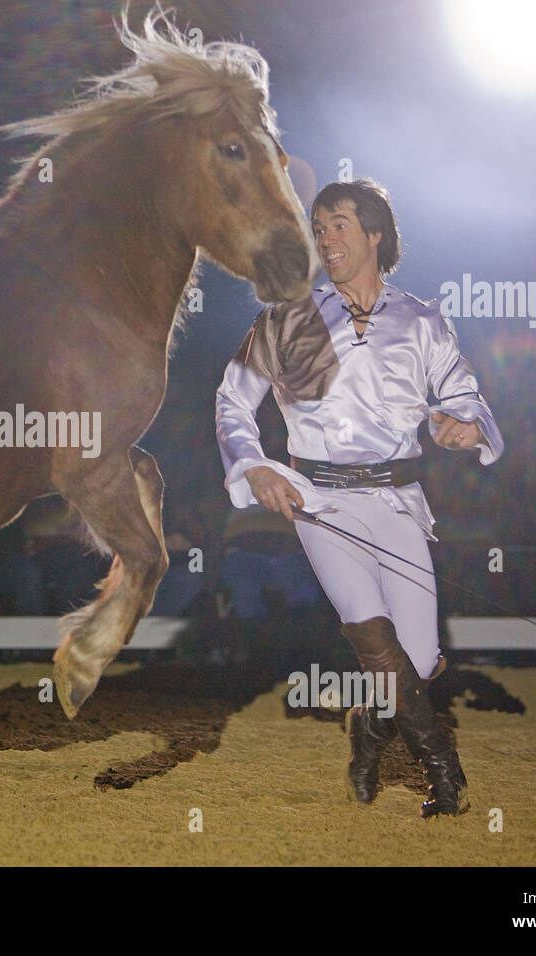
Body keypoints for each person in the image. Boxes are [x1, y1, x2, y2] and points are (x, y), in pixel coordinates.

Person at [214, 178, 504, 817]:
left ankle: (369, 730)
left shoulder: (422, 319)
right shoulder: (288, 318)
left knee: (418, 660)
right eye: (319, 226)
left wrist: (469, 425)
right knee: (372, 639)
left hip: (399, 501)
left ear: (375, 233)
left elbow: (464, 394)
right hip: (321, 501)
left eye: (338, 223)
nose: (325, 236)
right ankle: (444, 770)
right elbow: (234, 401)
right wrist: (256, 466)